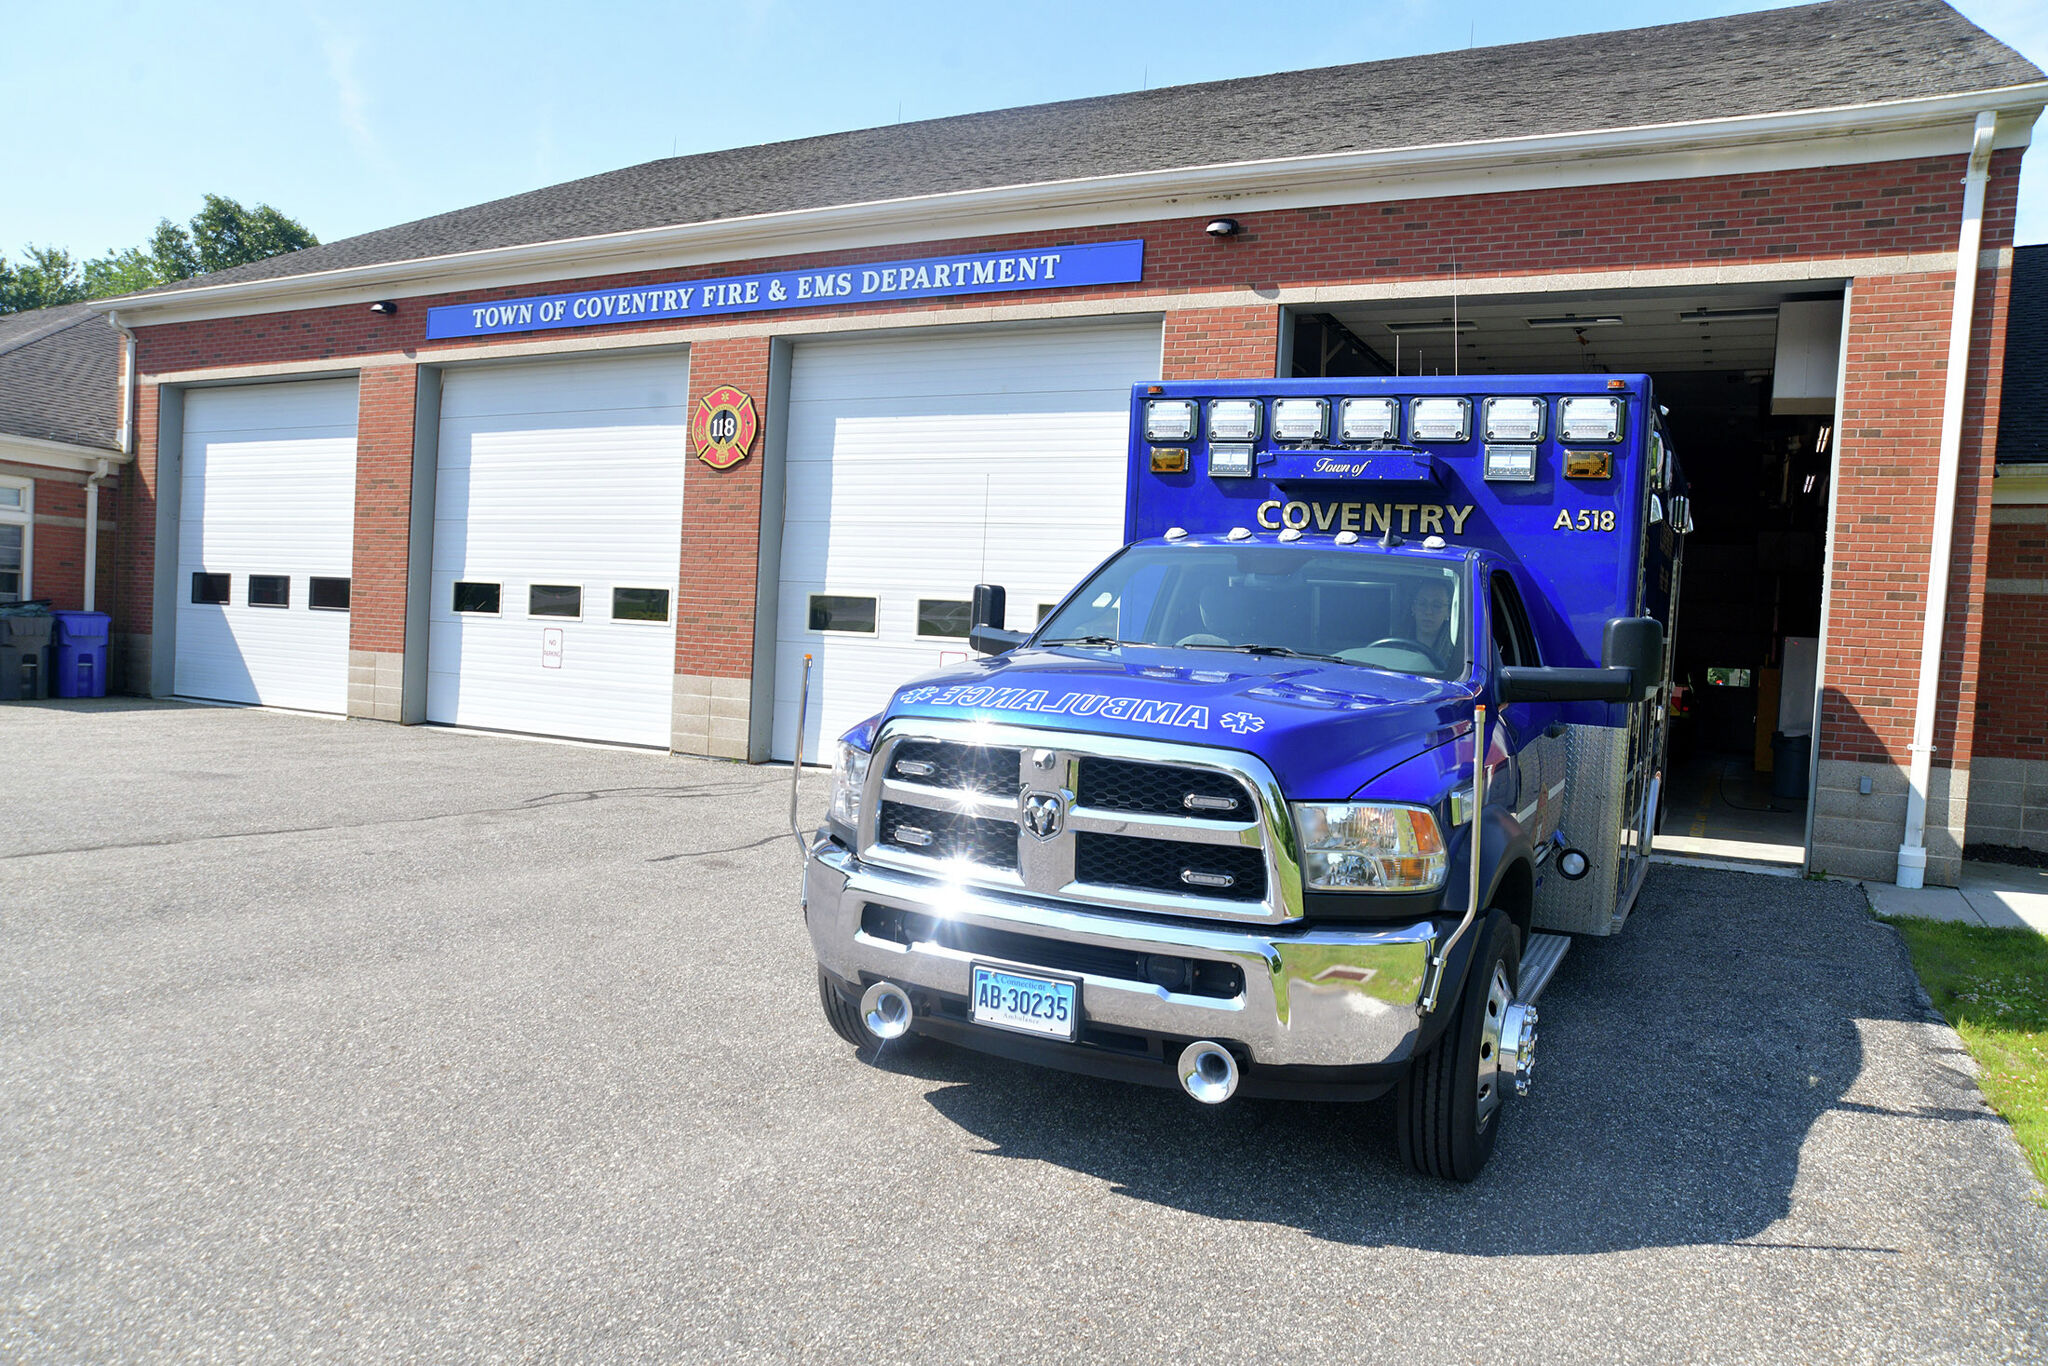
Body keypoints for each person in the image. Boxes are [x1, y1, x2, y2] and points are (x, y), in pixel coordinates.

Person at [1409, 580, 1455, 662]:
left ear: (1448, 612)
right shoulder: (1393, 647)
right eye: (1422, 604)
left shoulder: (1458, 657)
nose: (1428, 612)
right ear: (1413, 608)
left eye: (1437, 606)